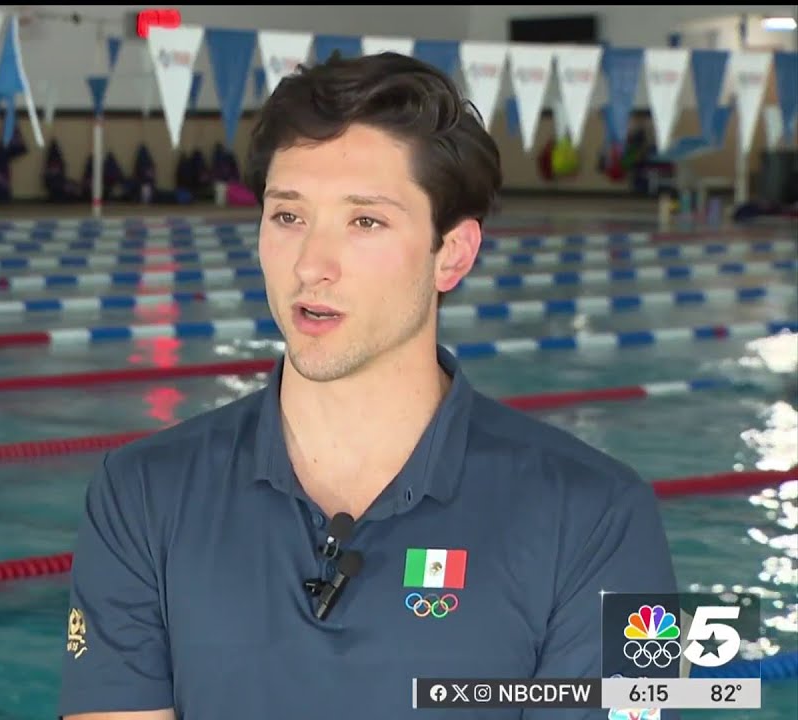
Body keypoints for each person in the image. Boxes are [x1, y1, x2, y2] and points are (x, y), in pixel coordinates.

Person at [58, 51, 681, 720]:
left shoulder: (601, 519)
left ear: (453, 254)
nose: (311, 265)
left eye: (366, 222)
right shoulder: (141, 493)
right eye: (289, 217)